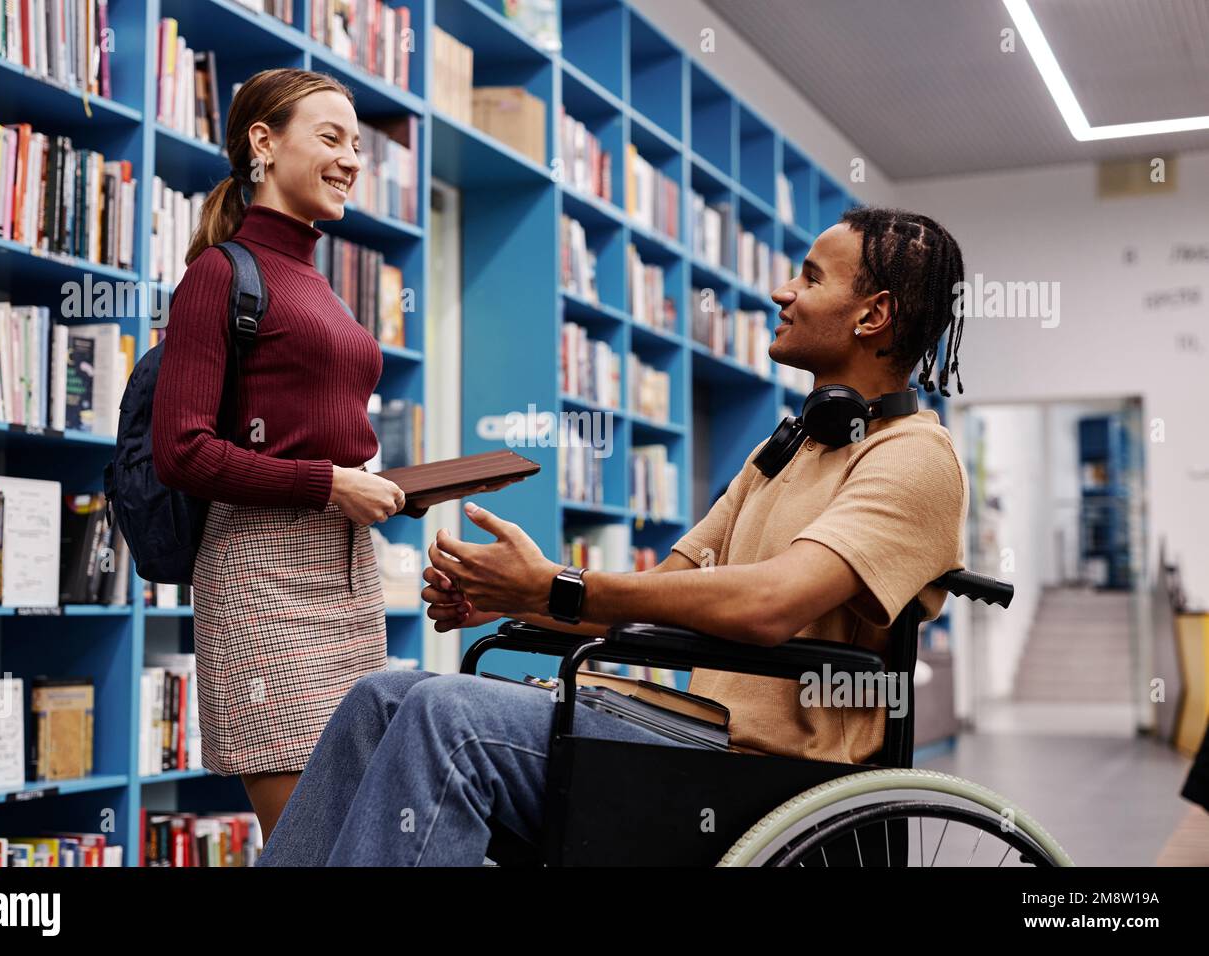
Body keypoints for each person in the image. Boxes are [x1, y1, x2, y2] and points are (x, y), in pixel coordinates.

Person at [256, 207, 972, 866]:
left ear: (873, 315)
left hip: (771, 777)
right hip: (690, 736)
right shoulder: (784, 450)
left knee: (450, 716)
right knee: (380, 698)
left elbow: (771, 606)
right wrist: (515, 597)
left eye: (811, 277)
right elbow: (660, 593)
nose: (783, 292)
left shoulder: (913, 457)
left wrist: (559, 585)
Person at [152, 68, 505, 839]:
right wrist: (330, 486)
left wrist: (387, 489)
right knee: (314, 845)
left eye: (357, 144)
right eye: (331, 137)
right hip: (260, 574)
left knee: (360, 833)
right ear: (264, 144)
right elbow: (180, 452)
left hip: (347, 578)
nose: (352, 159)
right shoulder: (219, 275)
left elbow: (321, 443)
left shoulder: (322, 284)